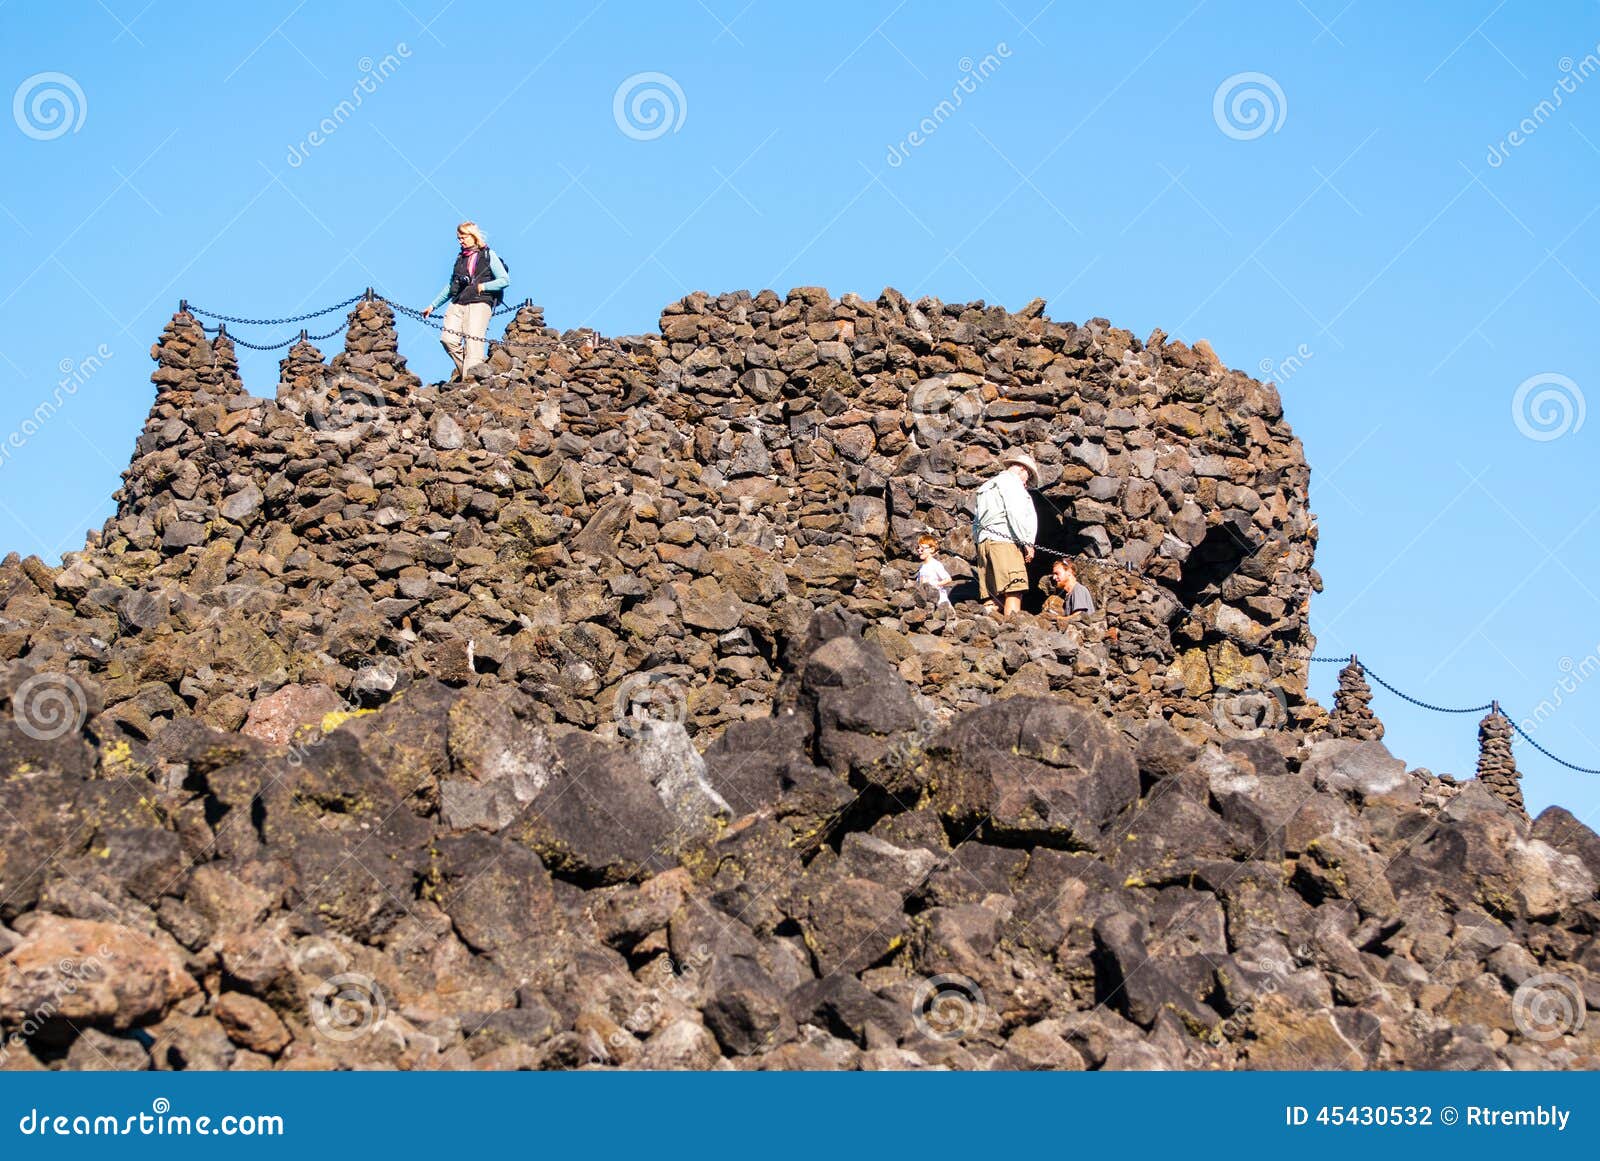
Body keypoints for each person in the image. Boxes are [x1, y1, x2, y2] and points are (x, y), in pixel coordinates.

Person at [422, 221, 510, 382]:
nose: (460, 241)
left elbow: (504, 280)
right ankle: (472, 375)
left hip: (480, 302)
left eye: (463, 237)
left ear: (473, 236)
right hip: (458, 302)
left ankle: (470, 384)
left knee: (473, 343)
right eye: (458, 238)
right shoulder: (460, 259)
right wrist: (433, 305)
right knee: (448, 339)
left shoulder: (488, 255)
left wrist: (482, 286)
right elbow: (451, 286)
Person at [971, 449, 1040, 618]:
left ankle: (985, 626)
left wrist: (978, 542)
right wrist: (1027, 542)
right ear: (1024, 470)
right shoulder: (1012, 483)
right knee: (1014, 589)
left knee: (993, 595)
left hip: (984, 542)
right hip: (1004, 541)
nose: (1026, 483)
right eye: (1028, 478)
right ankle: (1012, 630)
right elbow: (1015, 513)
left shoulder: (987, 485)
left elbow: (976, 520)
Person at [912, 533, 955, 607]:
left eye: (922, 548)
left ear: (932, 549)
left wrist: (934, 585)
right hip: (928, 600)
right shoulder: (922, 567)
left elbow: (948, 579)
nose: (919, 550)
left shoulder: (935, 564)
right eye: (918, 548)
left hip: (941, 601)